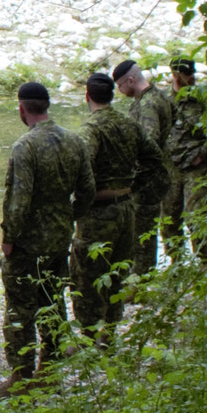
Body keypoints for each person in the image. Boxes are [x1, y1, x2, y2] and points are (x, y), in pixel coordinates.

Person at [0, 82, 94, 395]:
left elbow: (18, 199)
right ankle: (49, 369)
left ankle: (21, 376)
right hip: (59, 237)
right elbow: (88, 190)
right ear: (47, 105)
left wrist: (9, 237)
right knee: (53, 302)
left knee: (19, 308)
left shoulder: (25, 146)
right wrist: (69, 216)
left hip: (28, 242)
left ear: (22, 109)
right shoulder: (75, 140)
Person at [72, 73, 166, 339]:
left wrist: (80, 201)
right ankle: (110, 334)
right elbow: (154, 158)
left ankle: (88, 336)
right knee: (118, 270)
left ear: (88, 96)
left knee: (87, 275)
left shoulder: (90, 129)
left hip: (98, 212)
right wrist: (134, 185)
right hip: (127, 207)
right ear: (112, 95)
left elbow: (83, 171)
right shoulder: (129, 123)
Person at [113, 59, 177, 276]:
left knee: (141, 234)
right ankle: (143, 278)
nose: (120, 91)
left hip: (147, 181)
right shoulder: (161, 97)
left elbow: (150, 143)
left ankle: (141, 282)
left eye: (120, 86)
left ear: (130, 81)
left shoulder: (147, 104)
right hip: (159, 175)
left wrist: (133, 177)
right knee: (145, 231)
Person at [162, 59, 207, 265]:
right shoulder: (163, 101)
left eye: (192, 72)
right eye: (186, 73)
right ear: (175, 75)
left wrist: (203, 153)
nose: (191, 76)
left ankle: (204, 262)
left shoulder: (204, 99)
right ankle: (175, 263)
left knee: (198, 215)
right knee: (169, 218)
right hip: (170, 168)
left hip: (196, 166)